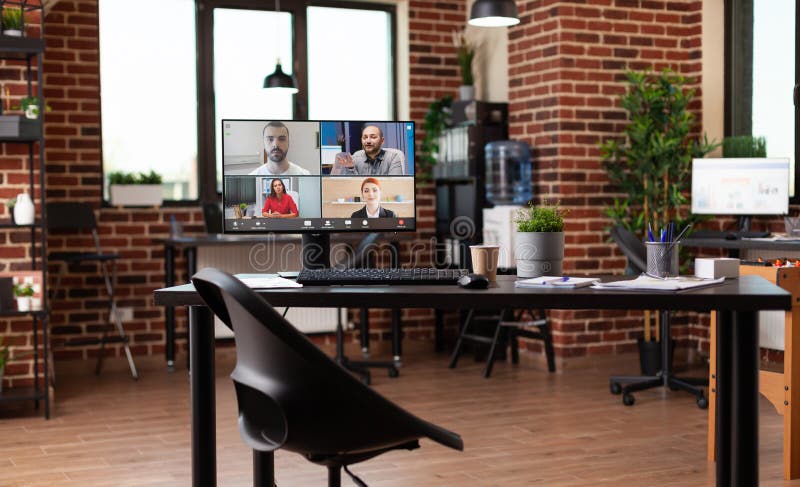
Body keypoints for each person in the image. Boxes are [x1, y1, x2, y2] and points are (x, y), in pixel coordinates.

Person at [331, 124, 406, 175]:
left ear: (382, 141)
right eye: (365, 137)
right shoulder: (356, 157)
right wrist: (350, 168)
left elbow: (395, 184)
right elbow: (352, 185)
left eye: (373, 137)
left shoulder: (393, 157)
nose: (368, 141)